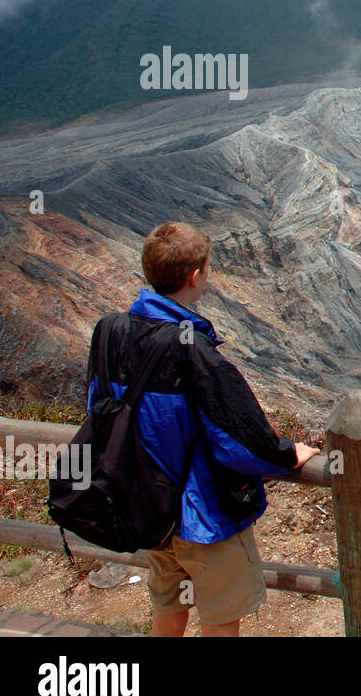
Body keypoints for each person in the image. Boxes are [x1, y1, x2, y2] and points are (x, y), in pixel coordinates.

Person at [84, 221, 318, 636]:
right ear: (196, 277)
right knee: (220, 618)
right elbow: (238, 437)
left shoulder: (110, 332)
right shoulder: (190, 347)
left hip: (148, 506)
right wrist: (285, 455)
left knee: (168, 610)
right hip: (202, 515)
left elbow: (97, 409)